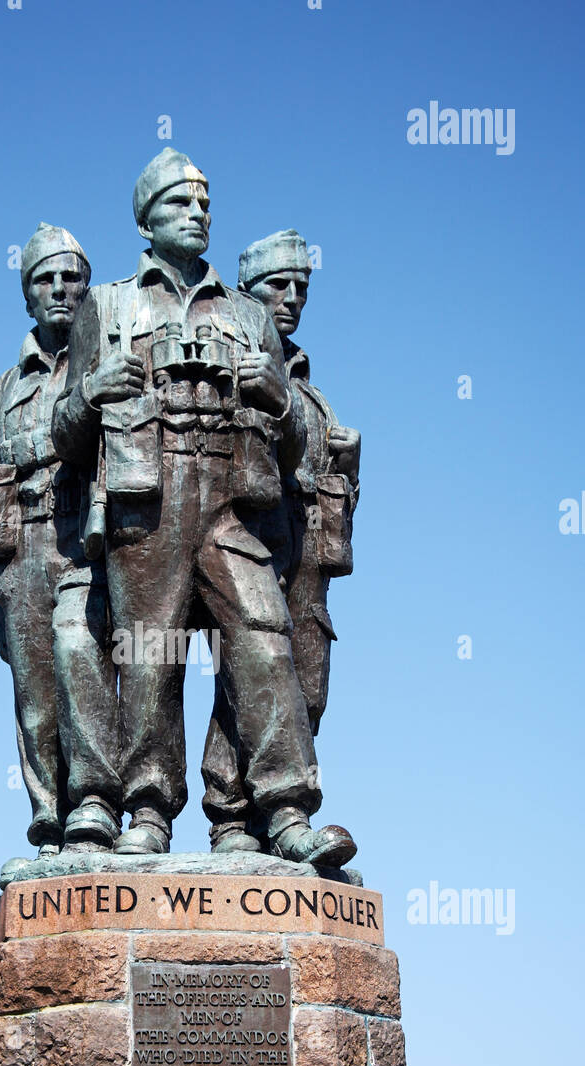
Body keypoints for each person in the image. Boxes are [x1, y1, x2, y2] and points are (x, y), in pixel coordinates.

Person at [53, 153, 353, 867]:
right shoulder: (108, 306)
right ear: (146, 219)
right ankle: (149, 813)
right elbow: (65, 435)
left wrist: (277, 396)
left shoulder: (250, 315)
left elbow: (300, 444)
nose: (198, 214)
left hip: (232, 499)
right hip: (146, 501)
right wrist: (93, 388)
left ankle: (285, 812)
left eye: (205, 203)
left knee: (262, 637)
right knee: (151, 656)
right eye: (181, 203)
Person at [201, 229, 361, 854]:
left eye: (302, 286)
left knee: (308, 687)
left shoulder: (310, 390)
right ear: (247, 292)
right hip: (250, 541)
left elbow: (331, 486)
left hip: (310, 559)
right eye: (278, 285)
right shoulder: (234, 366)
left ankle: (272, 829)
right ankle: (234, 817)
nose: (292, 297)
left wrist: (351, 461)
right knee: (247, 675)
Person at [0, 223, 121, 857]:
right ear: (27, 294)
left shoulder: (106, 357)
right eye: (45, 278)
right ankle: (49, 819)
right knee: (33, 692)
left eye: (72, 277)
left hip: (80, 537)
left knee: (79, 655)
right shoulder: (6, 387)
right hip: (20, 549)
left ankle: (95, 803)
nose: (60, 288)